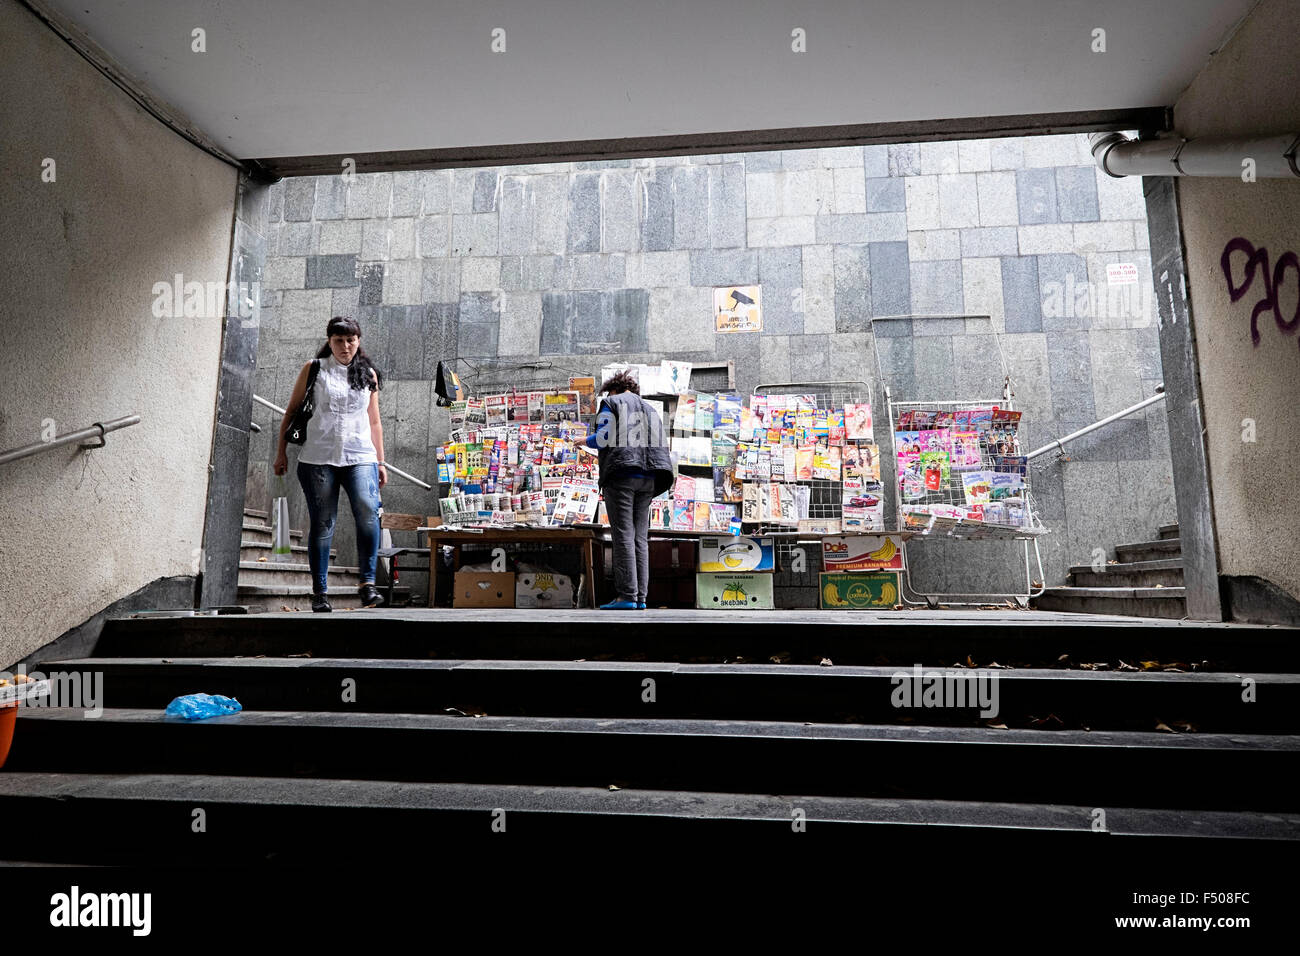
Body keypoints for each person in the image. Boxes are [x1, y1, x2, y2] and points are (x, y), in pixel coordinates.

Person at [274, 316, 387, 612]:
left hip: (360, 455)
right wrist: (281, 451)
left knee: (367, 510)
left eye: (351, 340)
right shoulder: (314, 369)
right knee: (324, 524)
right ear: (329, 341)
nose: (345, 346)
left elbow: (374, 421)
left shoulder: (369, 375)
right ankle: (320, 593)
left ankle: (368, 583)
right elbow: (292, 410)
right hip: (318, 458)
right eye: (339, 340)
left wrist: (381, 461)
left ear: (358, 341)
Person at [585, 371, 674, 609]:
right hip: (651, 477)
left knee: (623, 534)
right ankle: (641, 597)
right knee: (640, 538)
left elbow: (603, 438)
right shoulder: (650, 410)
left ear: (613, 390)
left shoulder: (611, 403)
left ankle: (626, 596)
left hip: (622, 475)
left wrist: (584, 441)